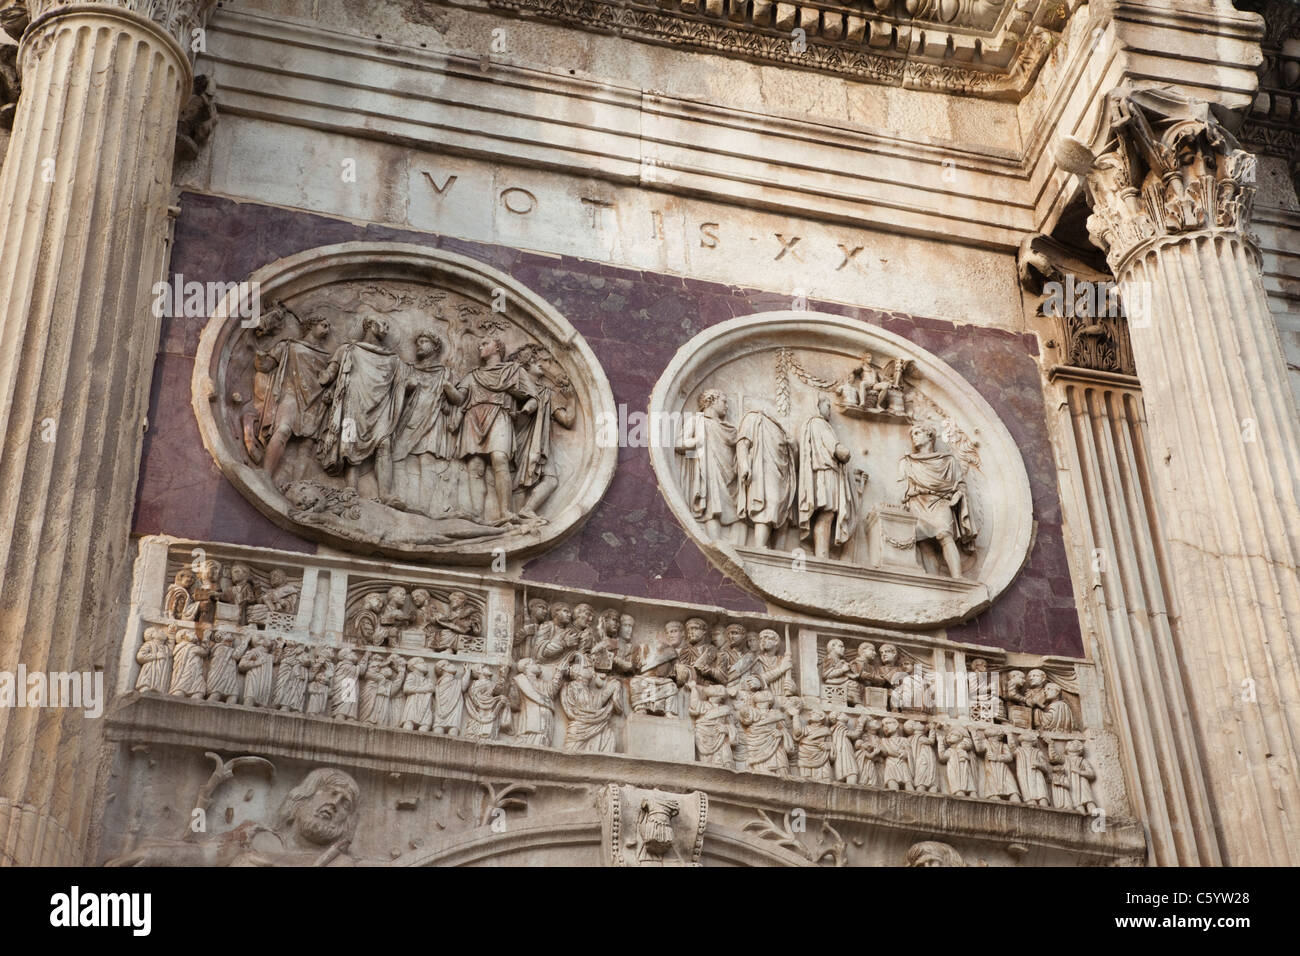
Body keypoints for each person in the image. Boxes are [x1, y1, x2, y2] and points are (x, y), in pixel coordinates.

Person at [315, 313, 408, 504]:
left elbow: (402, 382)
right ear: (370, 325)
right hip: (353, 403)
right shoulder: (348, 350)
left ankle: (385, 494)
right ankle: (350, 488)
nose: (386, 329)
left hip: (381, 406)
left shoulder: (392, 359)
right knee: (350, 442)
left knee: (385, 444)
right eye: (383, 324)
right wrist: (325, 377)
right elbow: (331, 373)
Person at [446, 336, 537, 524]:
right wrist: (446, 386)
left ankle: (505, 512)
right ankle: (477, 513)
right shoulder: (473, 375)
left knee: (499, 458)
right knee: (475, 465)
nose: (480, 346)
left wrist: (528, 408)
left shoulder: (513, 371)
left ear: (498, 347)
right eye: (480, 343)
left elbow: (534, 397)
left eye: (485, 343)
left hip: (499, 414)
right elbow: (459, 399)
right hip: (473, 417)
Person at [898, 422, 976, 578]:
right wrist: (903, 503)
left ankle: (957, 577)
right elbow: (902, 486)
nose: (914, 437)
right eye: (912, 434)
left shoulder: (948, 461)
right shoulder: (908, 461)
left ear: (929, 435)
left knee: (944, 533)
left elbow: (960, 484)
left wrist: (957, 496)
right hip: (917, 501)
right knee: (924, 543)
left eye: (918, 433)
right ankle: (933, 581)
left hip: (940, 501)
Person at [797, 395, 856, 558]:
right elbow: (834, 447)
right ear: (818, 406)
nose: (830, 410)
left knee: (826, 515)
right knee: (827, 514)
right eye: (827, 406)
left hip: (821, 473)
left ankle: (821, 553)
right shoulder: (819, 423)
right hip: (826, 473)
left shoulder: (811, 425)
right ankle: (822, 555)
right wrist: (846, 453)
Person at [679, 388, 739, 541]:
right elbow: (679, 443)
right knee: (713, 504)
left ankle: (736, 544)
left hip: (730, 471)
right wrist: (695, 442)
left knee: (736, 507)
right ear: (712, 401)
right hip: (710, 469)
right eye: (724, 402)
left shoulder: (728, 428)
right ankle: (715, 541)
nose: (726, 406)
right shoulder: (696, 421)